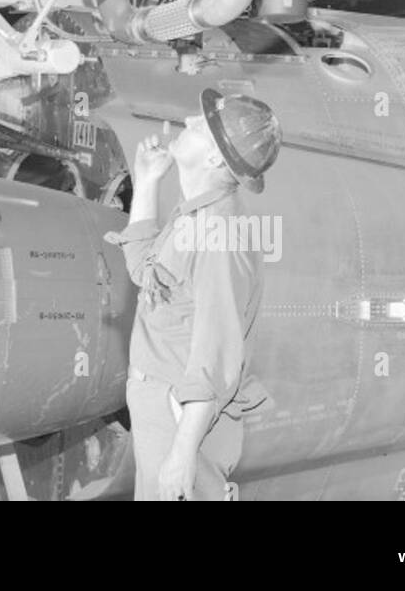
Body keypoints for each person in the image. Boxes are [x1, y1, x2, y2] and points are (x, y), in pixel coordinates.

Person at [104, 89, 281, 501]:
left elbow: (216, 356)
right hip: (164, 409)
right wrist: (146, 182)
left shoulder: (219, 233)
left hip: (182, 416)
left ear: (217, 158)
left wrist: (182, 453)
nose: (188, 120)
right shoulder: (195, 216)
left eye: (202, 125)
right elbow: (146, 274)